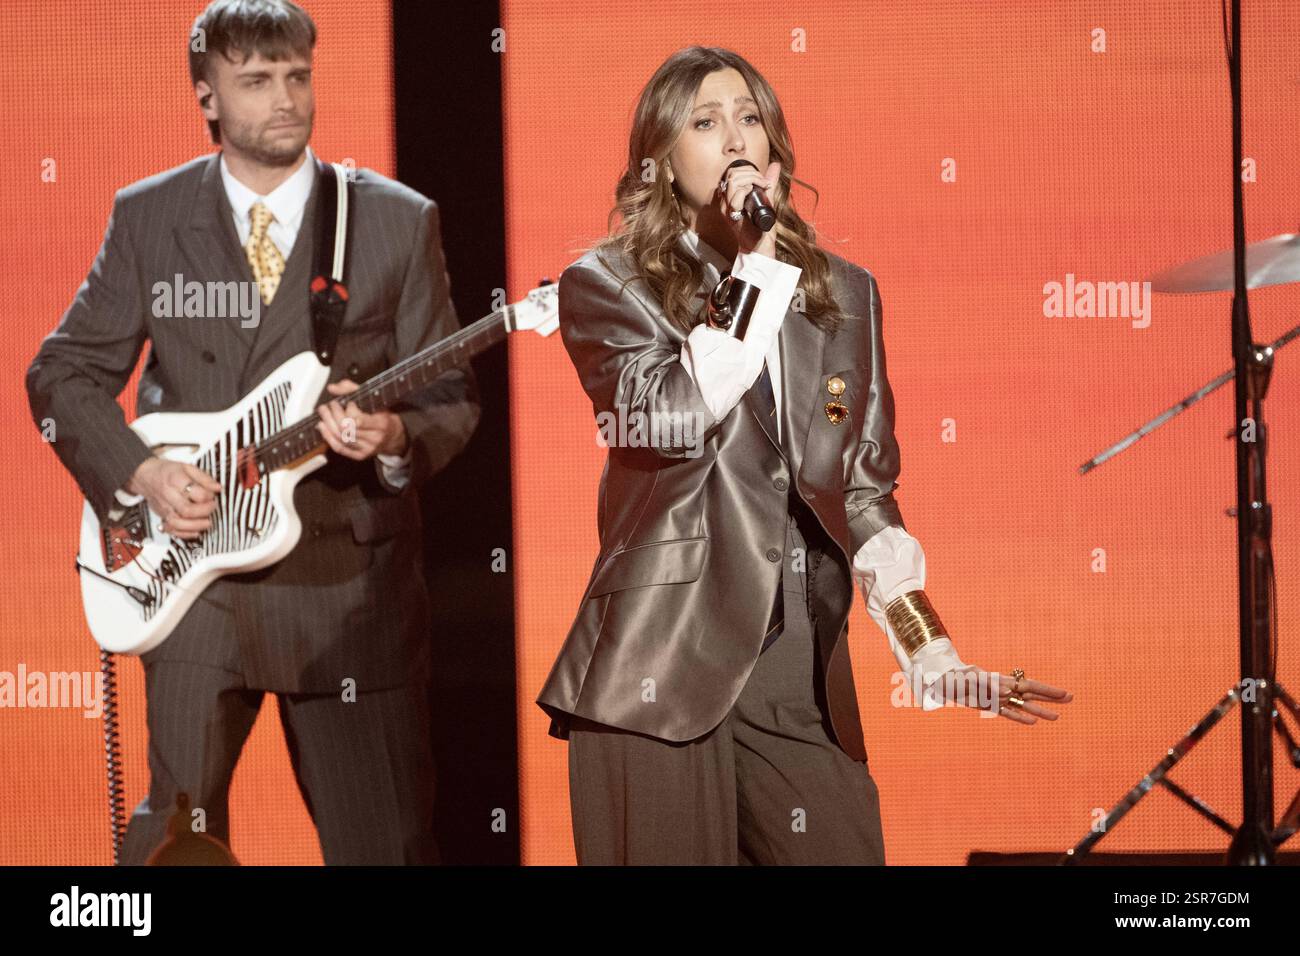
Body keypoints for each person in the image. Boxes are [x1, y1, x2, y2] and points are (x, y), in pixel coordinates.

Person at [536, 46, 1072, 865]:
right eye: (705, 122)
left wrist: (930, 650)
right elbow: (670, 419)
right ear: (663, 163)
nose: (735, 137)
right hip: (657, 664)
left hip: (795, 661)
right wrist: (753, 269)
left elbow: (862, 489)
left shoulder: (843, 294)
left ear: (778, 147)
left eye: (750, 117)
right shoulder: (609, 283)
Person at [26, 0, 479, 864]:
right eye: (257, 80)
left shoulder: (392, 217)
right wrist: (143, 474)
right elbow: (62, 374)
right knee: (174, 852)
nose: (286, 100)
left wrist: (389, 438)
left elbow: (450, 396)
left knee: (385, 847)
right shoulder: (148, 216)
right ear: (207, 97)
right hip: (194, 591)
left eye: (298, 77)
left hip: (349, 594)